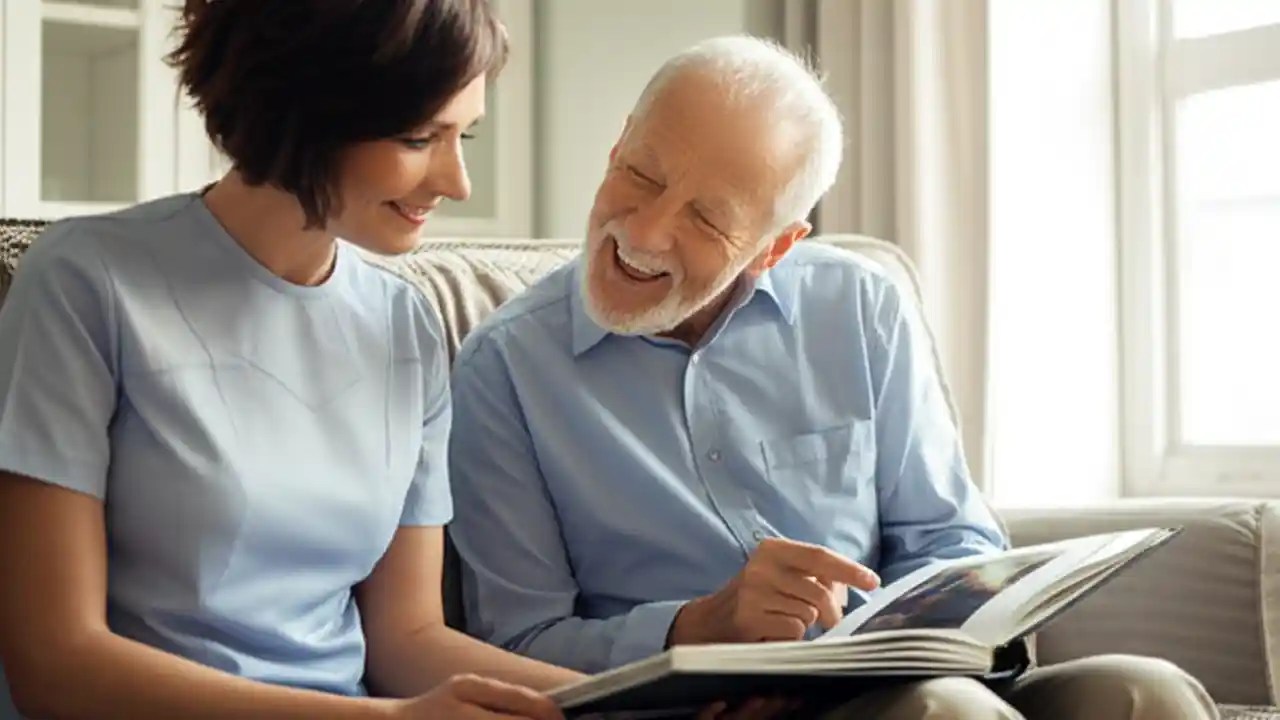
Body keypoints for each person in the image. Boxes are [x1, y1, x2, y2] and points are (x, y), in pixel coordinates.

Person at [446, 35, 1220, 720]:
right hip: (706, 708)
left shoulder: (858, 304)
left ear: (774, 246)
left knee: (1146, 692)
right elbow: (518, 639)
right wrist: (701, 630)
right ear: (618, 146)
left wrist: (886, 636)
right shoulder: (503, 366)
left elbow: (950, 534)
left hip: (897, 679)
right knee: (943, 713)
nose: (644, 233)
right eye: (643, 176)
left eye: (709, 221)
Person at [0, 2, 583, 718]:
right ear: (305, 109)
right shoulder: (86, 283)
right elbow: (54, 664)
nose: (456, 182)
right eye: (417, 137)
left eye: (465, 135)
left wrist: (634, 699)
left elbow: (407, 639)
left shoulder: (406, 327)